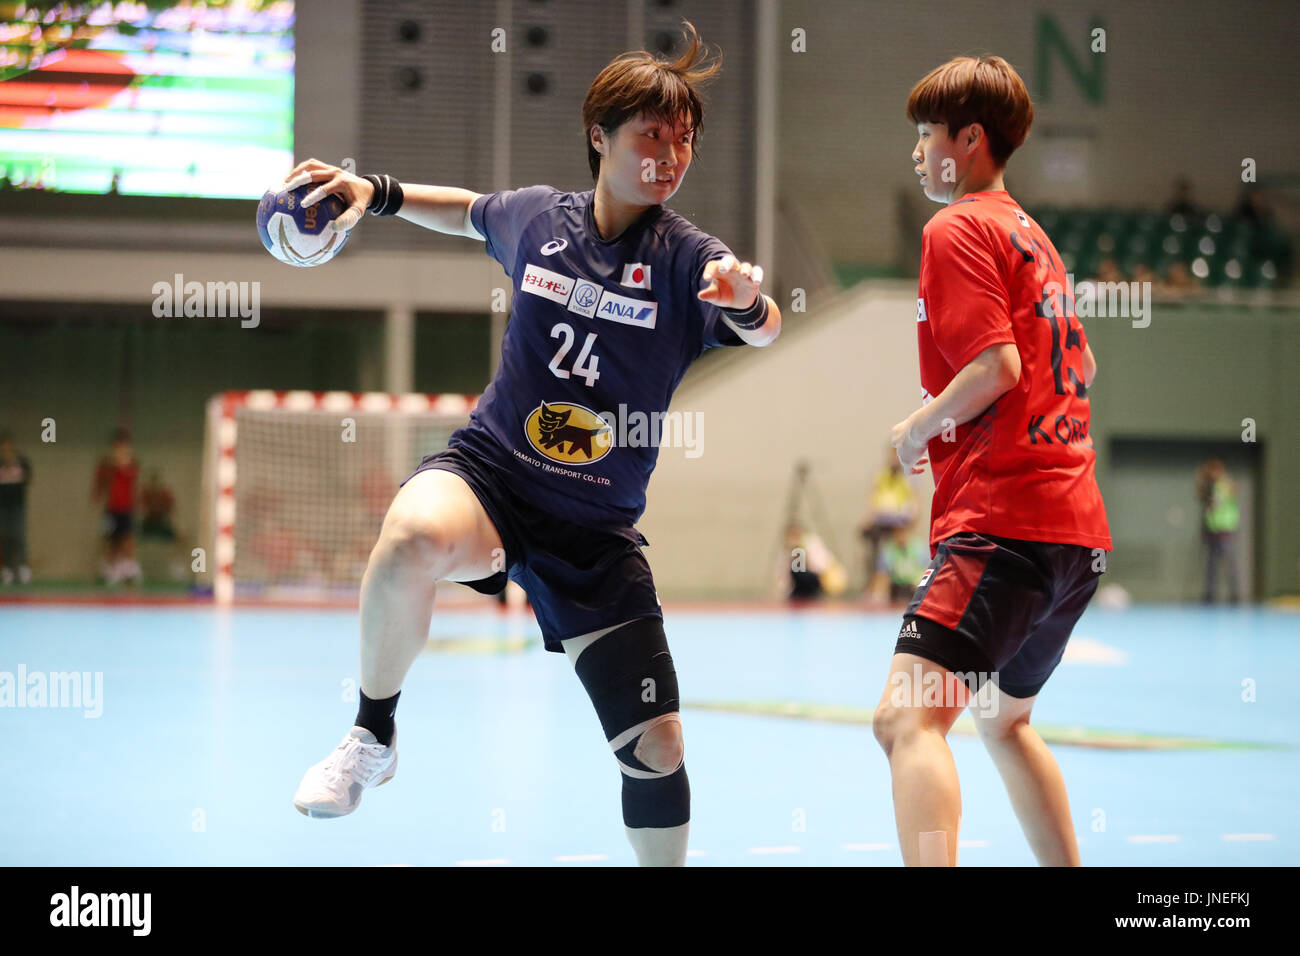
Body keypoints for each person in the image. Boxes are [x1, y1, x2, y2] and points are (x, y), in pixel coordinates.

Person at [289, 21, 781, 867]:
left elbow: (765, 327)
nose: (671, 153)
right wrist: (374, 191)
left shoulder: (687, 258)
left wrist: (743, 301)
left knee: (658, 747)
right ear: (601, 136)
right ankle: (372, 736)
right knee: (408, 538)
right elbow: (468, 211)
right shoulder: (538, 222)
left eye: (685, 139)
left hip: (594, 530)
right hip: (494, 478)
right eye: (652, 135)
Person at [872, 55, 1112, 867]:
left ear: (968, 140)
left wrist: (915, 430)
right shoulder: (1032, 236)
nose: (916, 153)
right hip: (1074, 536)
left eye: (925, 136)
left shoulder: (959, 226)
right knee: (1005, 721)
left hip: (1005, 524)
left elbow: (995, 369)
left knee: (907, 719)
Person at [92, 428, 141, 586]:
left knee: (128, 540)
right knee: (111, 541)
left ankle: (129, 570)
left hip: (127, 509)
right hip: (111, 510)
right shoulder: (106, 465)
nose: (121, 450)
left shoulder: (132, 464)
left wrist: (122, 465)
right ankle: (110, 571)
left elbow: (132, 480)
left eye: (125, 447)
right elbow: (99, 486)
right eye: (118, 447)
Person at [1195, 458, 1241, 603]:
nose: (1211, 474)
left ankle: (1234, 595)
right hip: (1212, 530)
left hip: (1225, 530)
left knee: (1229, 563)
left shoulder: (1225, 485)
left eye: (1213, 471)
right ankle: (1210, 595)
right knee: (1211, 565)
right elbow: (1200, 496)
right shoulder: (1210, 486)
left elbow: (1221, 500)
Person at [0, 431, 32, 585]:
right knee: (5, 537)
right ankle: (7, 569)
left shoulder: (22, 462)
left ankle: (22, 567)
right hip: (2, 506)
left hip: (18, 506)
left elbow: (28, 480)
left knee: (18, 536)